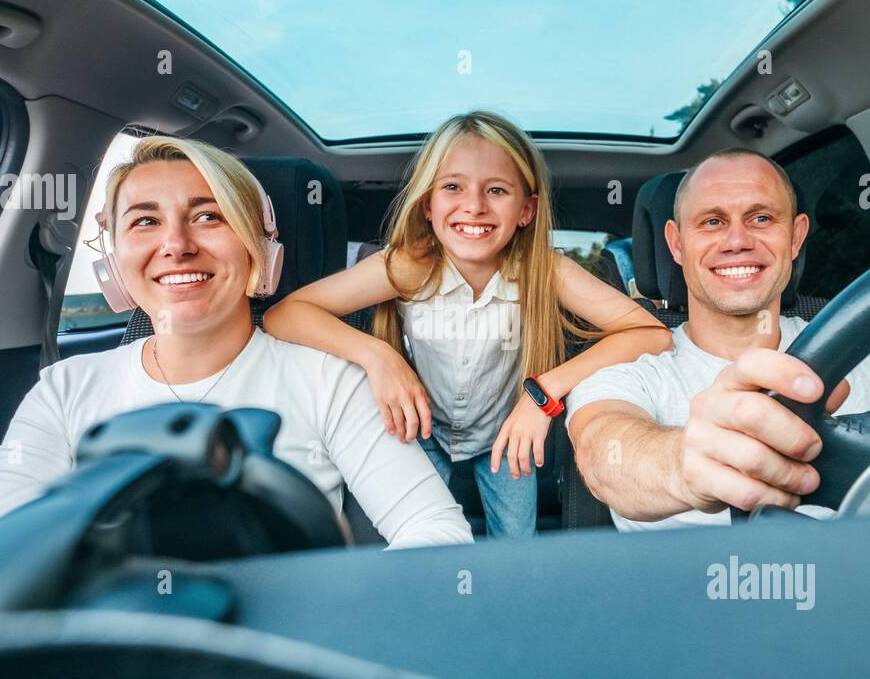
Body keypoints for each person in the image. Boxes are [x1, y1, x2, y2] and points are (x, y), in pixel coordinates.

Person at [0, 135, 474, 561]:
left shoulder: (331, 380)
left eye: (208, 216)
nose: (177, 245)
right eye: (144, 221)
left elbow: (438, 533)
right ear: (113, 259)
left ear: (259, 250)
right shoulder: (65, 390)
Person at [264, 111, 673, 538]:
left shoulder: (545, 271)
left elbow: (652, 334)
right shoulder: (407, 266)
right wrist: (378, 355)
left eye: (496, 190)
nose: (474, 205)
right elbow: (284, 314)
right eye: (452, 187)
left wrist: (544, 391)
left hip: (503, 434)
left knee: (517, 550)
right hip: (420, 431)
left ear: (526, 210)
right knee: (414, 537)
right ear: (428, 203)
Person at [566, 147, 870, 528]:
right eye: (711, 222)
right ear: (676, 244)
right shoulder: (628, 369)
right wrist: (685, 463)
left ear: (796, 236)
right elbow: (605, 452)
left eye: (761, 218)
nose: (737, 240)